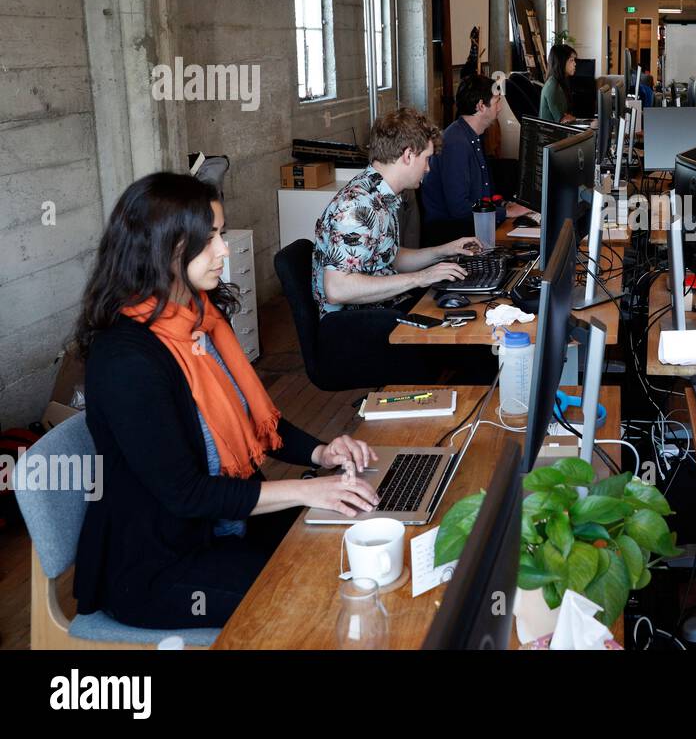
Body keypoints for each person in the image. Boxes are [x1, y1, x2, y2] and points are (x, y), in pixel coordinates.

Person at [73, 173, 383, 629]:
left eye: (220, 233)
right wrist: (311, 488)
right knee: (321, 591)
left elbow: (251, 420)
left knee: (356, 536)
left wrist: (320, 454)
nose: (222, 250)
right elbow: (186, 494)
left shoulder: (199, 319)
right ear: (163, 247)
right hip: (159, 565)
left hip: (224, 529)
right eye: (209, 238)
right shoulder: (126, 359)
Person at [314, 107, 477, 319]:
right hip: (355, 325)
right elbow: (337, 289)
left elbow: (390, 258)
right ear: (408, 155)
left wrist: (443, 251)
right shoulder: (357, 207)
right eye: (426, 159)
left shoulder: (380, 194)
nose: (428, 169)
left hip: (381, 309)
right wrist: (420, 278)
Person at [420, 75, 531, 246]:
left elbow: (482, 194)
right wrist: (505, 213)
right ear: (480, 106)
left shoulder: (471, 135)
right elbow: (459, 209)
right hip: (452, 235)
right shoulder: (456, 143)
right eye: (496, 102)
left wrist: (504, 204)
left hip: (470, 227)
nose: (500, 108)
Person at [539, 43, 578, 123]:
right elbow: (564, 121)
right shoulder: (553, 86)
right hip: (552, 134)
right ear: (561, 62)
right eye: (571, 60)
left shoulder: (559, 82)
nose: (575, 64)